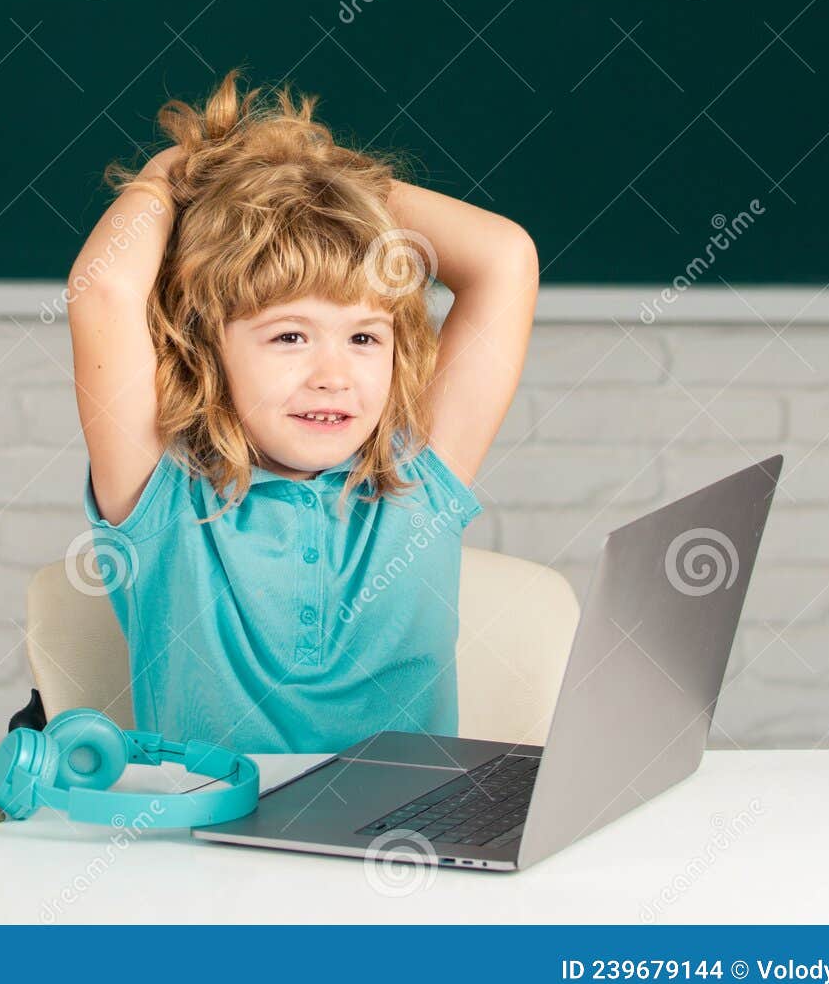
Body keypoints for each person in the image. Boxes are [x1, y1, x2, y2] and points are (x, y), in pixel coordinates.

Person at [66, 69, 537, 753]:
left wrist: (315, 178)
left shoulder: (419, 485)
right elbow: (102, 287)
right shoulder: (161, 500)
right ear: (208, 349)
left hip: (404, 847)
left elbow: (505, 256)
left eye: (364, 337)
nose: (334, 376)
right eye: (290, 336)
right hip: (208, 851)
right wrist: (181, 174)